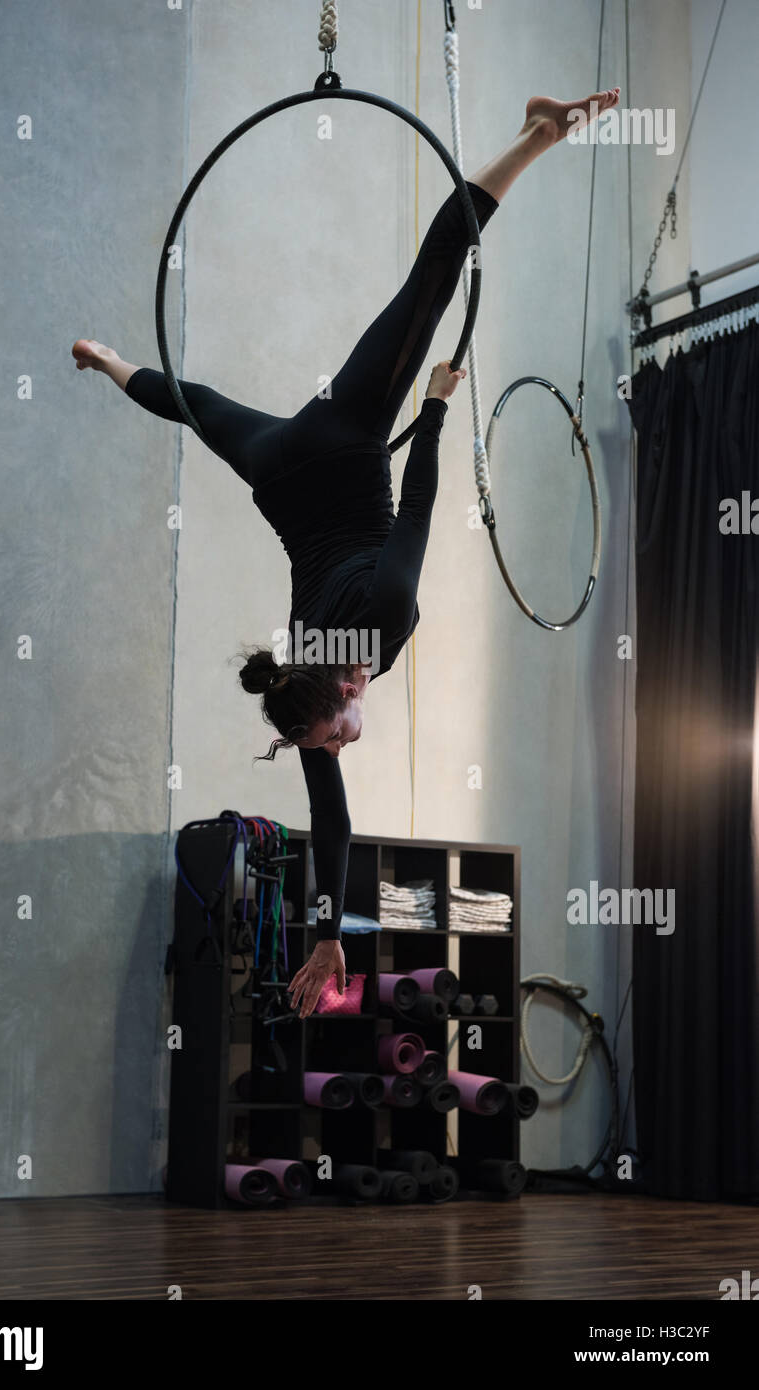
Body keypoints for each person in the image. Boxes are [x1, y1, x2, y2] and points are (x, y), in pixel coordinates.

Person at [72, 90, 620, 1018]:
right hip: (277, 476)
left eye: (328, 740)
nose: (337, 750)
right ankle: (108, 359)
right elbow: (330, 819)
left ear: (343, 698)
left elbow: (415, 513)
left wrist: (438, 406)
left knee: (432, 283)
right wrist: (328, 929)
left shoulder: (380, 623)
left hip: (345, 442)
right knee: (198, 408)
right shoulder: (299, 684)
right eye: (325, 745)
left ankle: (537, 133)